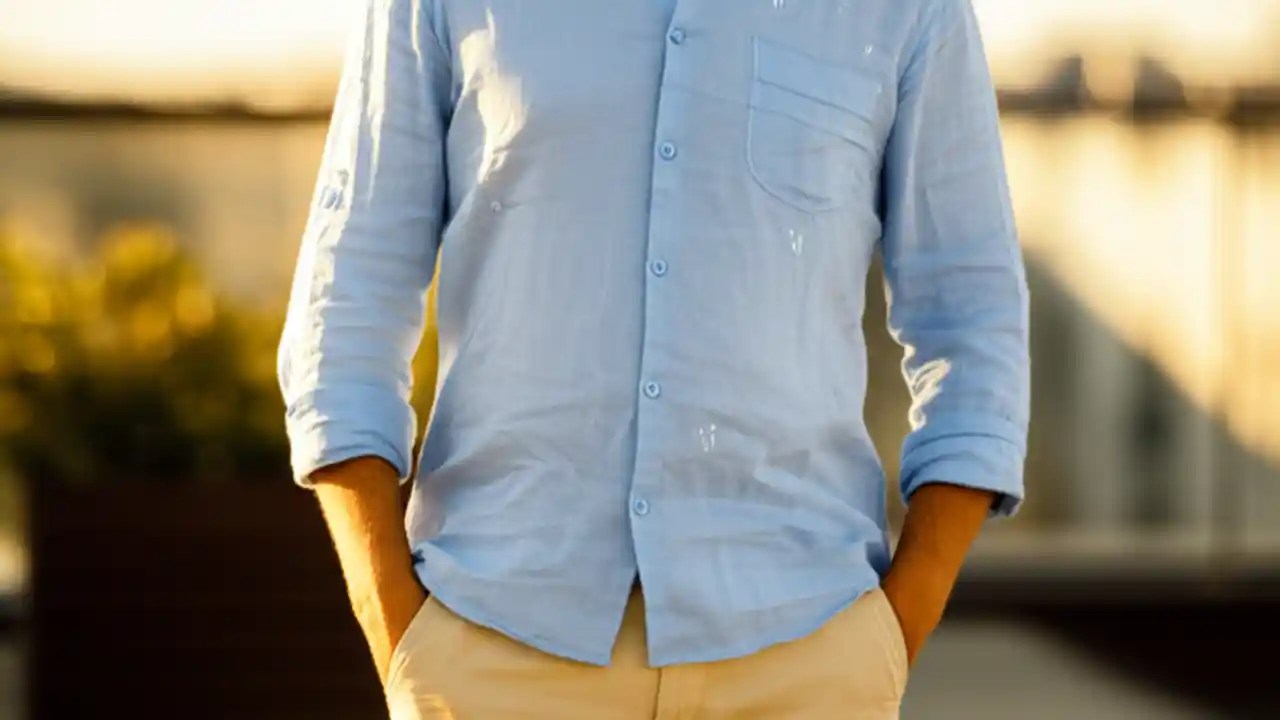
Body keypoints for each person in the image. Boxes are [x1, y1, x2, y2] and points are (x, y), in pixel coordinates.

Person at [277, 0, 1029, 717]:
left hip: (806, 662)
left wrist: (897, 627)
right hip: (495, 656)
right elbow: (346, 302)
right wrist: (397, 630)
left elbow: (973, 319)